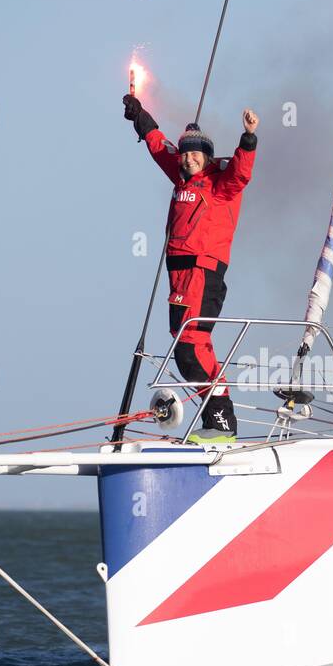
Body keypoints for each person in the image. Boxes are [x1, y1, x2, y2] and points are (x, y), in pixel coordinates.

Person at [123, 92, 258, 443]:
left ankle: (222, 422)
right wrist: (140, 116)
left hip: (202, 272)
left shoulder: (220, 185)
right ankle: (216, 419)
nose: (189, 159)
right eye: (185, 154)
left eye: (196, 153)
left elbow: (242, 174)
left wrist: (248, 139)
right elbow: (159, 147)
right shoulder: (182, 178)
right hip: (178, 275)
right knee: (183, 346)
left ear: (207, 157)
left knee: (190, 345)